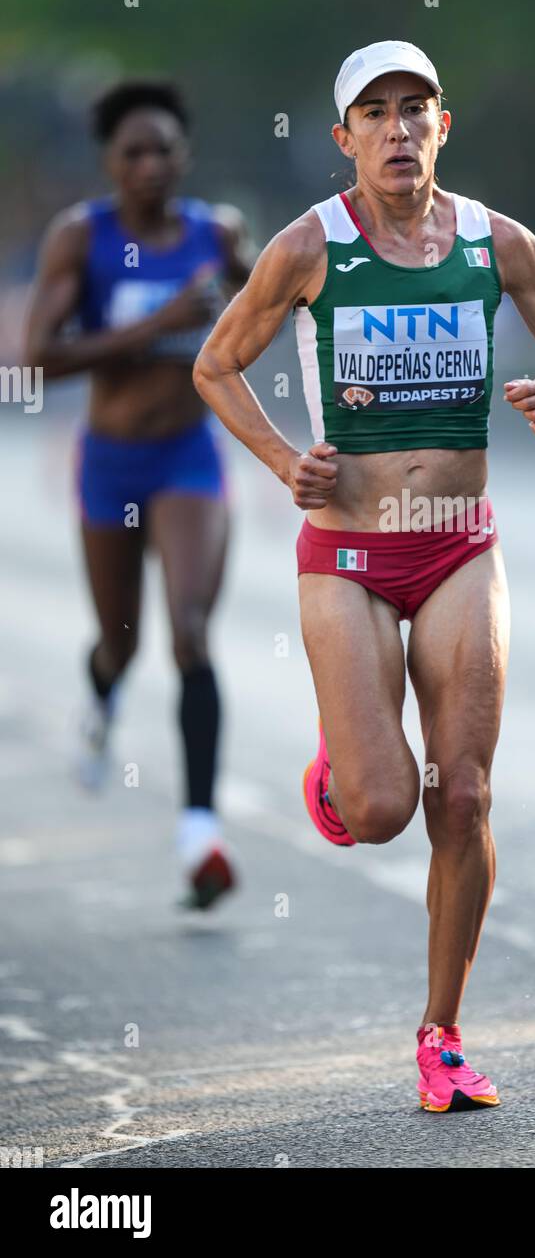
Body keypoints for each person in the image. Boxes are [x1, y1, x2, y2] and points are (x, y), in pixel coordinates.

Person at [193, 41, 535, 1107]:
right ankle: (339, 772)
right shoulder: (308, 247)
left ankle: (442, 1036)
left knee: (462, 795)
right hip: (347, 554)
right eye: (374, 113)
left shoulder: (496, 243)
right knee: (382, 807)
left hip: (459, 545)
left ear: (441, 126)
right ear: (344, 139)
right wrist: (285, 461)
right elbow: (216, 363)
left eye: (414, 108)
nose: (397, 128)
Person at [25, 78, 256, 910]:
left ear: (184, 156)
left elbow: (278, 300)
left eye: (164, 149)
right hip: (110, 461)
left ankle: (201, 835)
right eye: (134, 152)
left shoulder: (213, 233)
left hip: (188, 457)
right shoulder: (81, 238)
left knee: (190, 633)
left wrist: (251, 283)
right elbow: (38, 358)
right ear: (110, 163)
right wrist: (158, 325)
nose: (151, 164)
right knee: (120, 643)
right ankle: (102, 694)